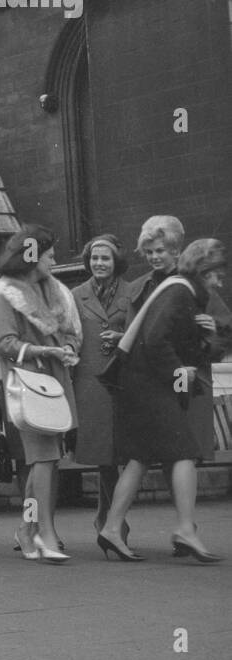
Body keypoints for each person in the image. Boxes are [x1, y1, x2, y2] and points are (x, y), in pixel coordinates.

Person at [99, 240, 228, 563]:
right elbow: (155, 340)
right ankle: (185, 528)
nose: (220, 282)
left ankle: (112, 528)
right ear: (203, 271)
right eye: (215, 275)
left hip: (141, 385)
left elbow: (193, 347)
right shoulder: (180, 292)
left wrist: (211, 335)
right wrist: (178, 370)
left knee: (140, 458)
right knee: (185, 452)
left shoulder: (185, 294)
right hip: (149, 387)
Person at [0, 225, 82, 564]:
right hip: (27, 385)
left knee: (47, 459)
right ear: (31, 256)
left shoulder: (55, 292)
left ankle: (28, 529)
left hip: (54, 383)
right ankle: (45, 531)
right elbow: (4, 343)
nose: (54, 260)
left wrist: (68, 348)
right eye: (50, 254)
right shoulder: (7, 294)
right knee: (43, 459)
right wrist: (46, 351)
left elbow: (71, 332)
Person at [69, 235, 131, 538]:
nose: (99, 263)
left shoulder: (133, 292)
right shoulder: (76, 294)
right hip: (90, 381)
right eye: (94, 258)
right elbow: (68, 335)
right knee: (102, 453)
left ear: (116, 261)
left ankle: (107, 515)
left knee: (121, 452)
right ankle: (110, 519)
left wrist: (122, 337)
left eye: (105, 258)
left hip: (122, 381)